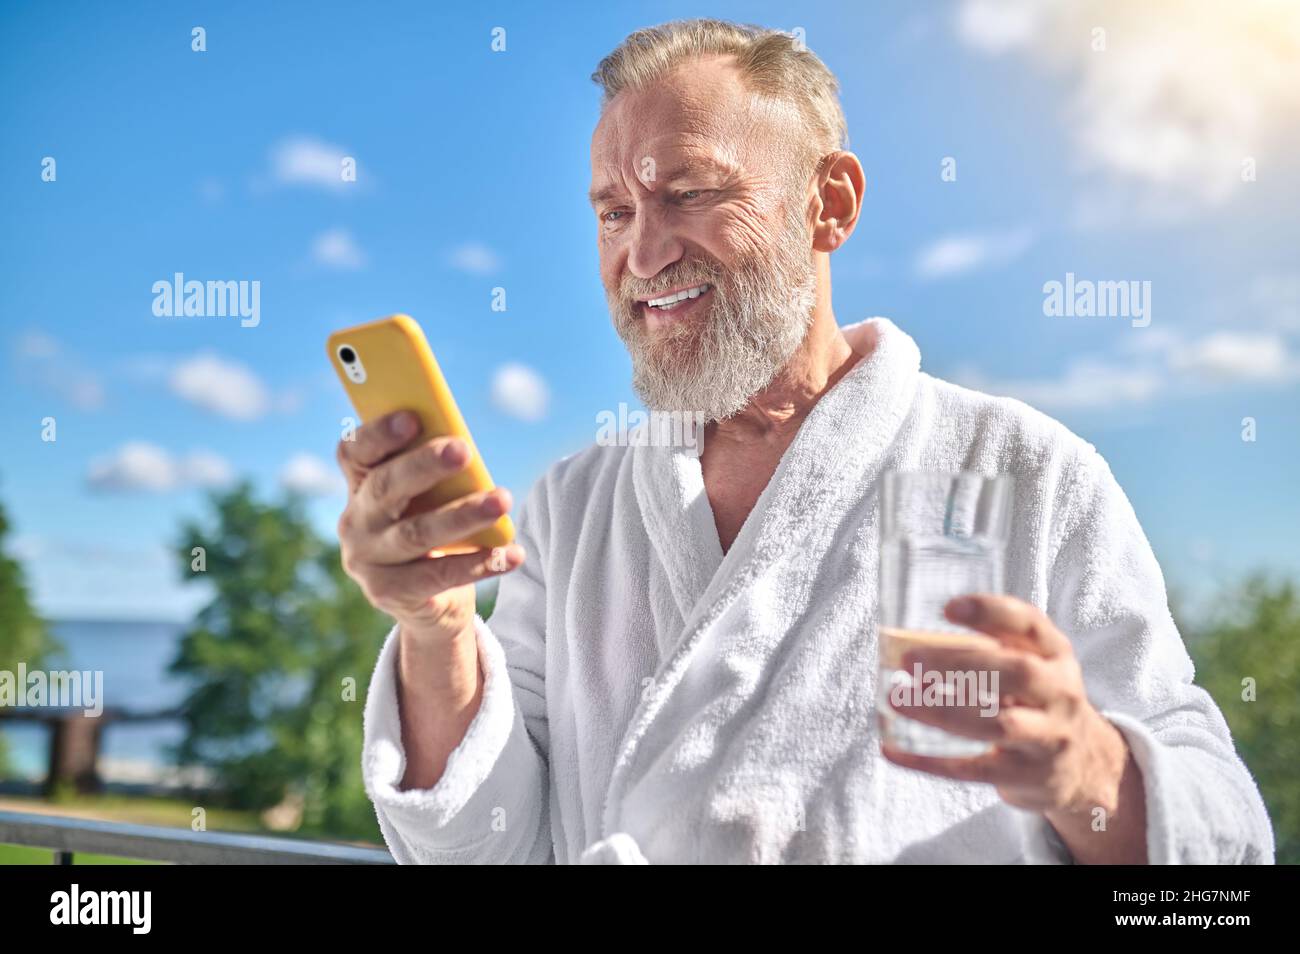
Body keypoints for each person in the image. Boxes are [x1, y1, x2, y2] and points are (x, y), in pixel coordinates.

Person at [336, 18, 1274, 864]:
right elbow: (482, 847)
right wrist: (439, 629)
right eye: (613, 212)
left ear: (831, 202)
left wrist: (1085, 766)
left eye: (691, 192)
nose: (644, 253)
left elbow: (1225, 853)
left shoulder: (1027, 473)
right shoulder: (572, 507)